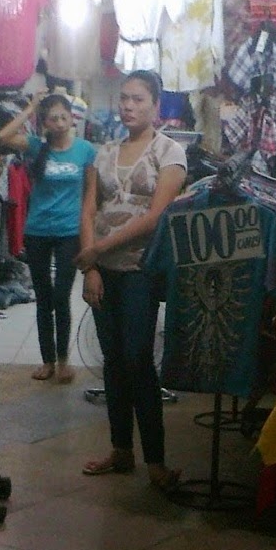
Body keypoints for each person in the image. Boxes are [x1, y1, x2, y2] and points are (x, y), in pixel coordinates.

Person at [76, 70, 187, 490]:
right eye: (124, 99)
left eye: (139, 99)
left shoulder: (170, 153)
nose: (129, 106)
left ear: (156, 105)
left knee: (138, 358)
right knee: (113, 362)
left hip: (141, 269)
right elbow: (88, 210)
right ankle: (121, 450)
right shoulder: (101, 153)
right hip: (102, 271)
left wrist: (96, 252)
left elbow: (155, 217)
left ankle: (156, 461)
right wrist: (90, 268)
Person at [0, 92, 98, 383]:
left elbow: (91, 194)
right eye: (52, 117)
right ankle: (47, 361)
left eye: (63, 117)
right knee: (43, 298)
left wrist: (88, 231)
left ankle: (65, 361)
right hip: (38, 231)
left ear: (71, 119)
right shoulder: (35, 147)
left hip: (69, 233)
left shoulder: (85, 150)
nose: (58, 122)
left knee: (61, 296)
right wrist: (30, 107)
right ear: (44, 122)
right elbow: (1, 137)